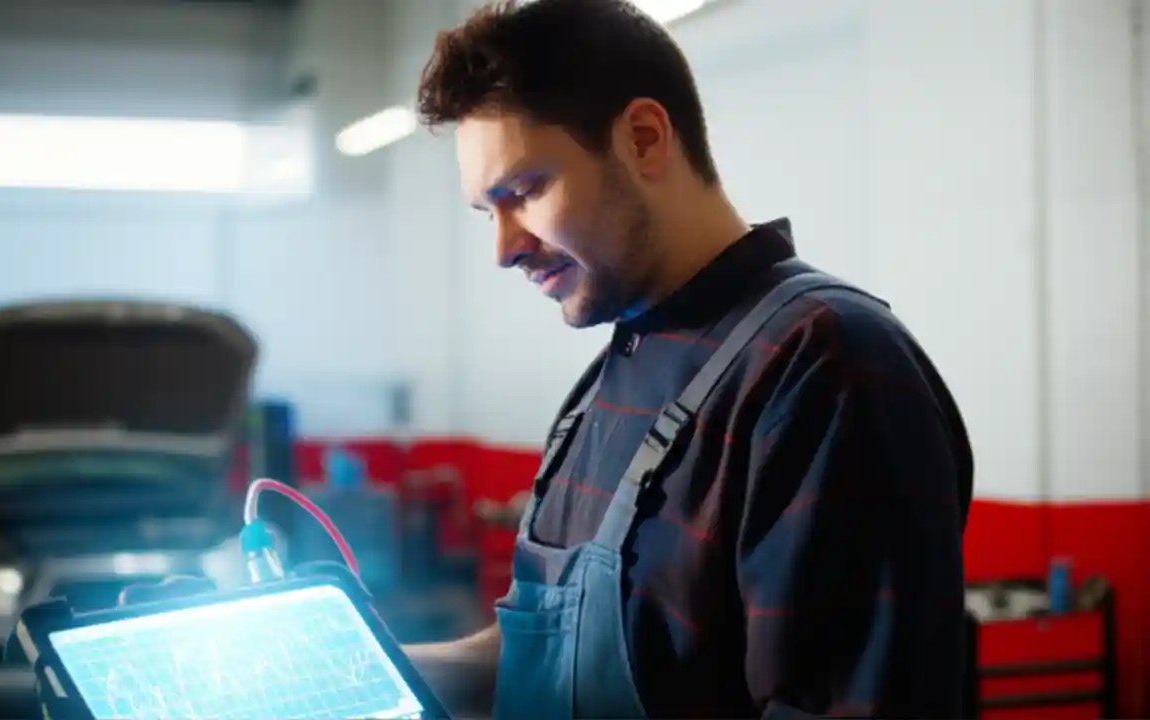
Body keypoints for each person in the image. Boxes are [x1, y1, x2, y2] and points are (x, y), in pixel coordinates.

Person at [404, 1, 974, 718]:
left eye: (523, 192)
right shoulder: (606, 382)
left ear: (644, 139)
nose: (504, 248)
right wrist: (354, 673)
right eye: (488, 212)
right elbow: (541, 657)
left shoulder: (825, 367)